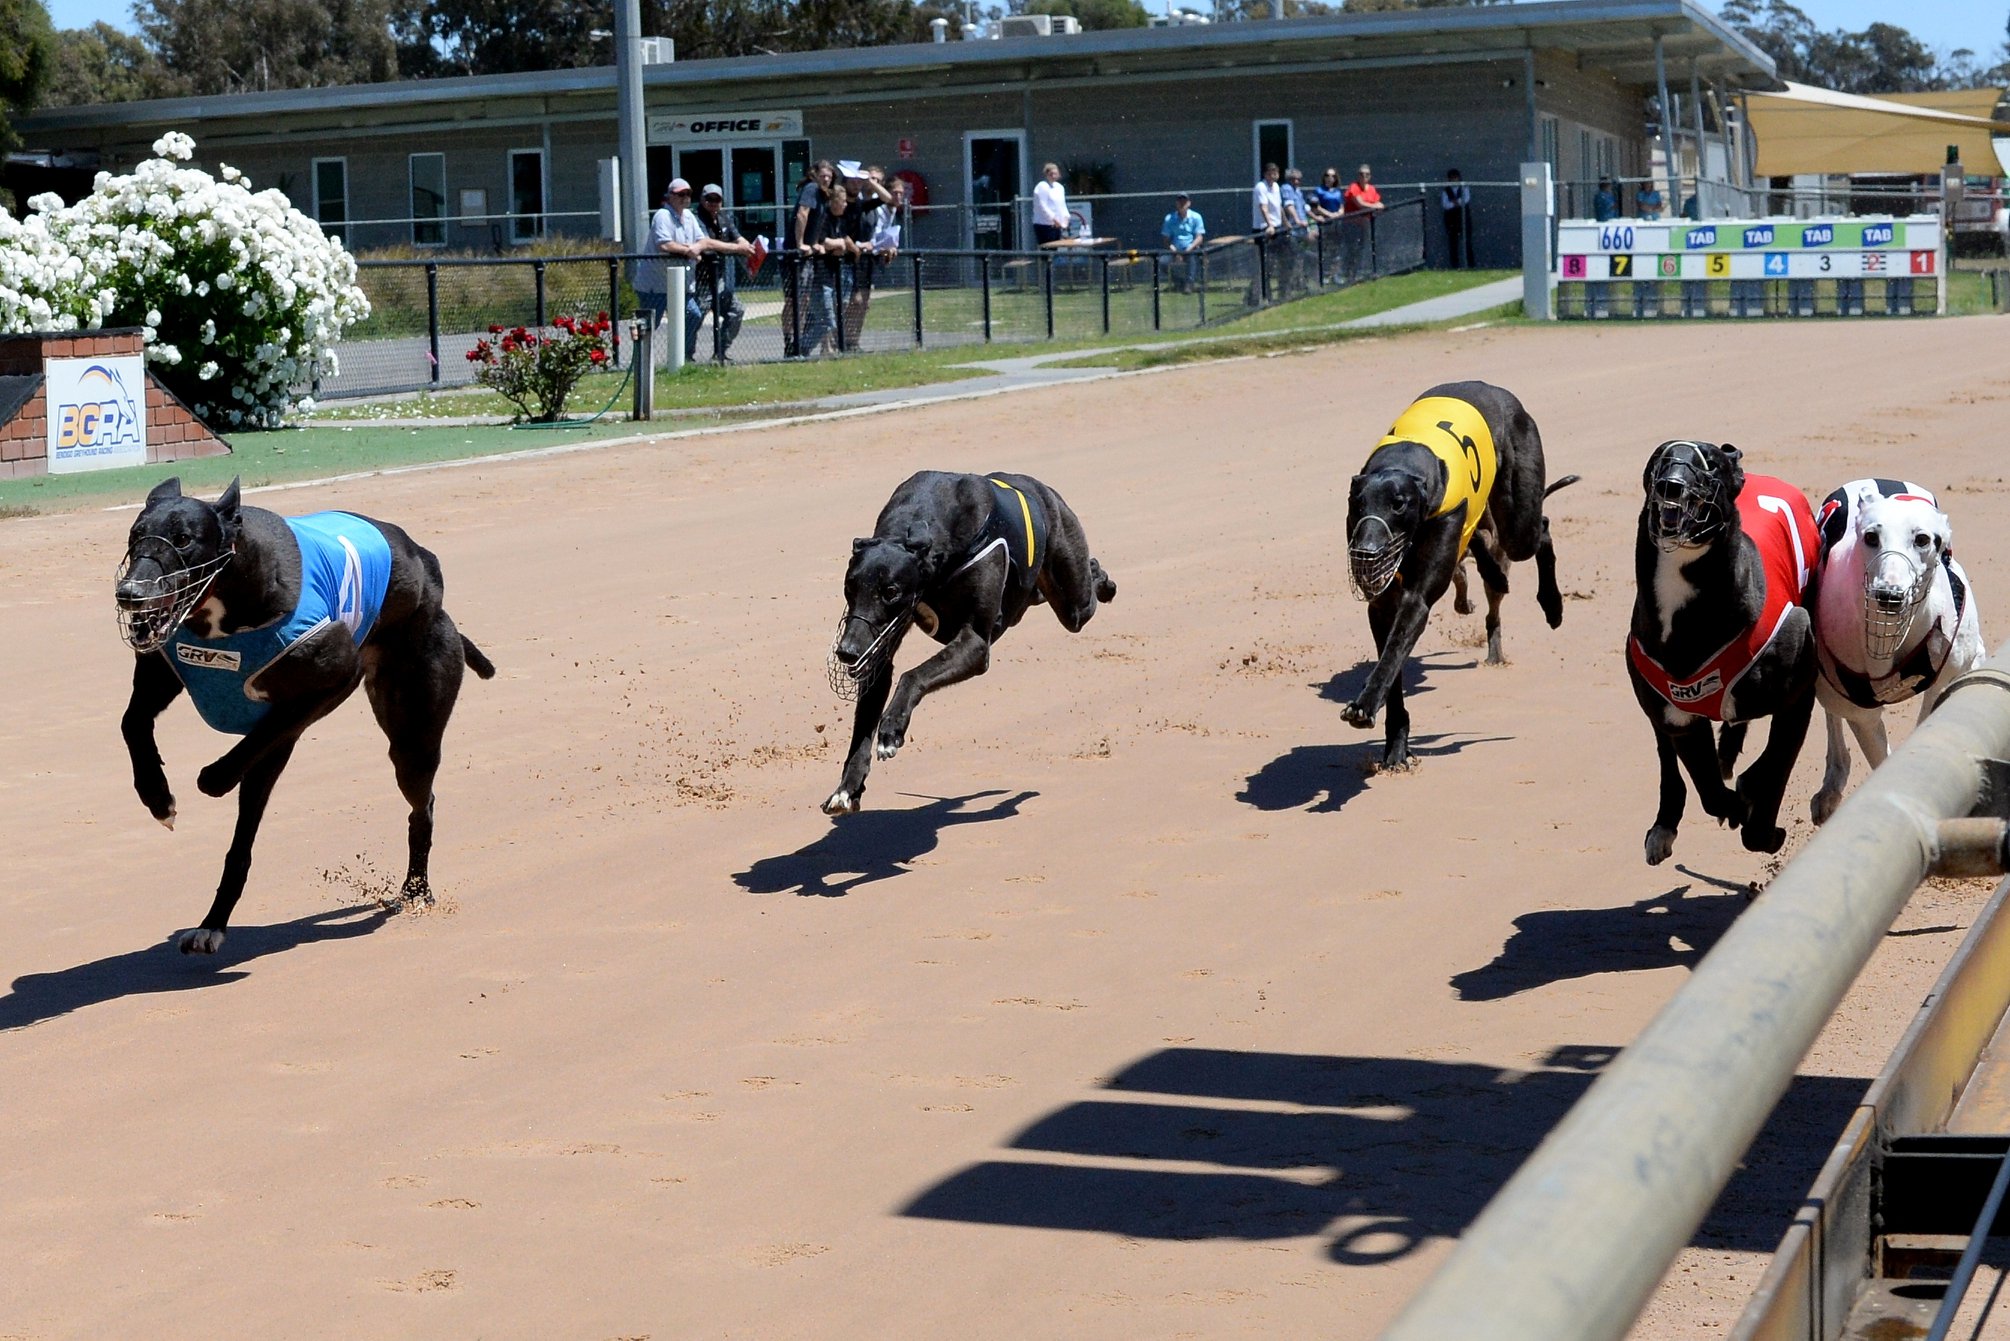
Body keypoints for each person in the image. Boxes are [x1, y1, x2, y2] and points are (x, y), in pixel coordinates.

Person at [638, 178, 710, 366]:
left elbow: (703, 240)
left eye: (687, 194)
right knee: (649, 326)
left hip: (680, 285)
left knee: (693, 315)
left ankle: (680, 358)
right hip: (654, 285)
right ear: (670, 196)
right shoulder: (662, 216)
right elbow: (664, 244)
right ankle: (641, 364)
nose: (684, 198)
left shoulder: (689, 216)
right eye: (680, 194)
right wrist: (688, 250)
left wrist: (696, 248)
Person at [799, 180, 865, 356]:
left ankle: (818, 349)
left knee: (829, 318)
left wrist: (848, 246)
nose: (845, 204)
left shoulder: (840, 220)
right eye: (842, 201)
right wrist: (840, 243)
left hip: (833, 274)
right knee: (827, 319)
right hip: (820, 274)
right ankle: (802, 349)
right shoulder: (824, 217)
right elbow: (822, 241)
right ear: (834, 201)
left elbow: (843, 240)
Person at [694, 184, 754, 361]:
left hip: (718, 281)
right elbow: (707, 244)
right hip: (699, 282)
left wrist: (748, 247)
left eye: (716, 199)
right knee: (694, 319)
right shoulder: (696, 219)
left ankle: (720, 351)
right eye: (709, 199)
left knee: (737, 311)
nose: (713, 203)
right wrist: (737, 248)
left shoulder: (724, 218)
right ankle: (686, 357)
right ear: (702, 200)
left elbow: (739, 238)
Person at [783, 160, 834, 358]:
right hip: (795, 256)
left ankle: (798, 344)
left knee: (804, 300)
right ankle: (790, 342)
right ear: (815, 174)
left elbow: (818, 221)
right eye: (823, 175)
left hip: (809, 254)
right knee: (795, 300)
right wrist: (800, 243)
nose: (826, 179)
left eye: (829, 176)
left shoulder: (823, 194)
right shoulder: (811, 188)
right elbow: (802, 213)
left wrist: (817, 243)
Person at [846, 166, 901, 348]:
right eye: (870, 179)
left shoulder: (881, 204)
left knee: (864, 302)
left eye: (877, 180)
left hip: (871, 256)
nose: (872, 183)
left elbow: (889, 202)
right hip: (854, 254)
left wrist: (889, 245)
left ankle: (853, 342)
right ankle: (845, 340)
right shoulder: (859, 201)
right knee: (854, 301)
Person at [1340, 162, 1383, 281]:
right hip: (1351, 225)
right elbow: (1360, 204)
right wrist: (1374, 206)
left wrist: (1376, 206)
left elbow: (1379, 203)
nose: (1364, 177)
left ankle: (1356, 273)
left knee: (1361, 249)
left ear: (1370, 176)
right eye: (1361, 174)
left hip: (1365, 225)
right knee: (1350, 249)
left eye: (1367, 174)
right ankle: (1345, 274)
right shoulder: (1354, 187)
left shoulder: (1372, 189)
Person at [1160, 190, 1206, 293]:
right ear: (1176, 203)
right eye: (1180, 201)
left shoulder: (1196, 217)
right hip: (1174, 250)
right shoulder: (1169, 218)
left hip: (1191, 249)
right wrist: (1174, 251)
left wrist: (1188, 250)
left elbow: (1199, 238)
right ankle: (1179, 282)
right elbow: (1166, 239)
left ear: (1189, 203)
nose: (1182, 204)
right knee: (1162, 262)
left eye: (1184, 201)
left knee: (1192, 258)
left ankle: (1189, 284)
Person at [1279, 167, 1311, 295]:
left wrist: (1316, 217)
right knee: (1290, 261)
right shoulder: (1286, 188)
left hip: (1302, 232)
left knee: (1301, 258)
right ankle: (1285, 290)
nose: (1297, 181)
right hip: (1292, 231)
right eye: (1294, 179)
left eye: (1299, 179)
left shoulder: (1298, 191)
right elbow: (1289, 205)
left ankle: (1299, 285)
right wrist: (1297, 221)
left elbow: (1305, 208)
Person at [1440, 168, 1474, 269]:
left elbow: (1466, 200)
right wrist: (1456, 203)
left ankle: (1471, 265)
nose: (1454, 180)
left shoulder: (1464, 188)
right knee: (1453, 244)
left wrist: (1456, 202)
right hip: (1451, 220)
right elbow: (1445, 205)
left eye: (1456, 178)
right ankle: (1455, 266)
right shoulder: (1445, 191)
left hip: (1464, 219)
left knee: (1467, 243)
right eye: (1452, 178)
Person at [1032, 161, 1069, 247]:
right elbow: (1042, 206)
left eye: (1055, 174)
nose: (1053, 176)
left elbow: (1062, 206)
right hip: (1044, 224)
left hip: (1057, 225)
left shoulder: (1059, 187)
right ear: (1046, 174)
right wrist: (1053, 219)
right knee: (1047, 250)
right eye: (1051, 174)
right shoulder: (1042, 186)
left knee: (1055, 249)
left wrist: (1065, 218)